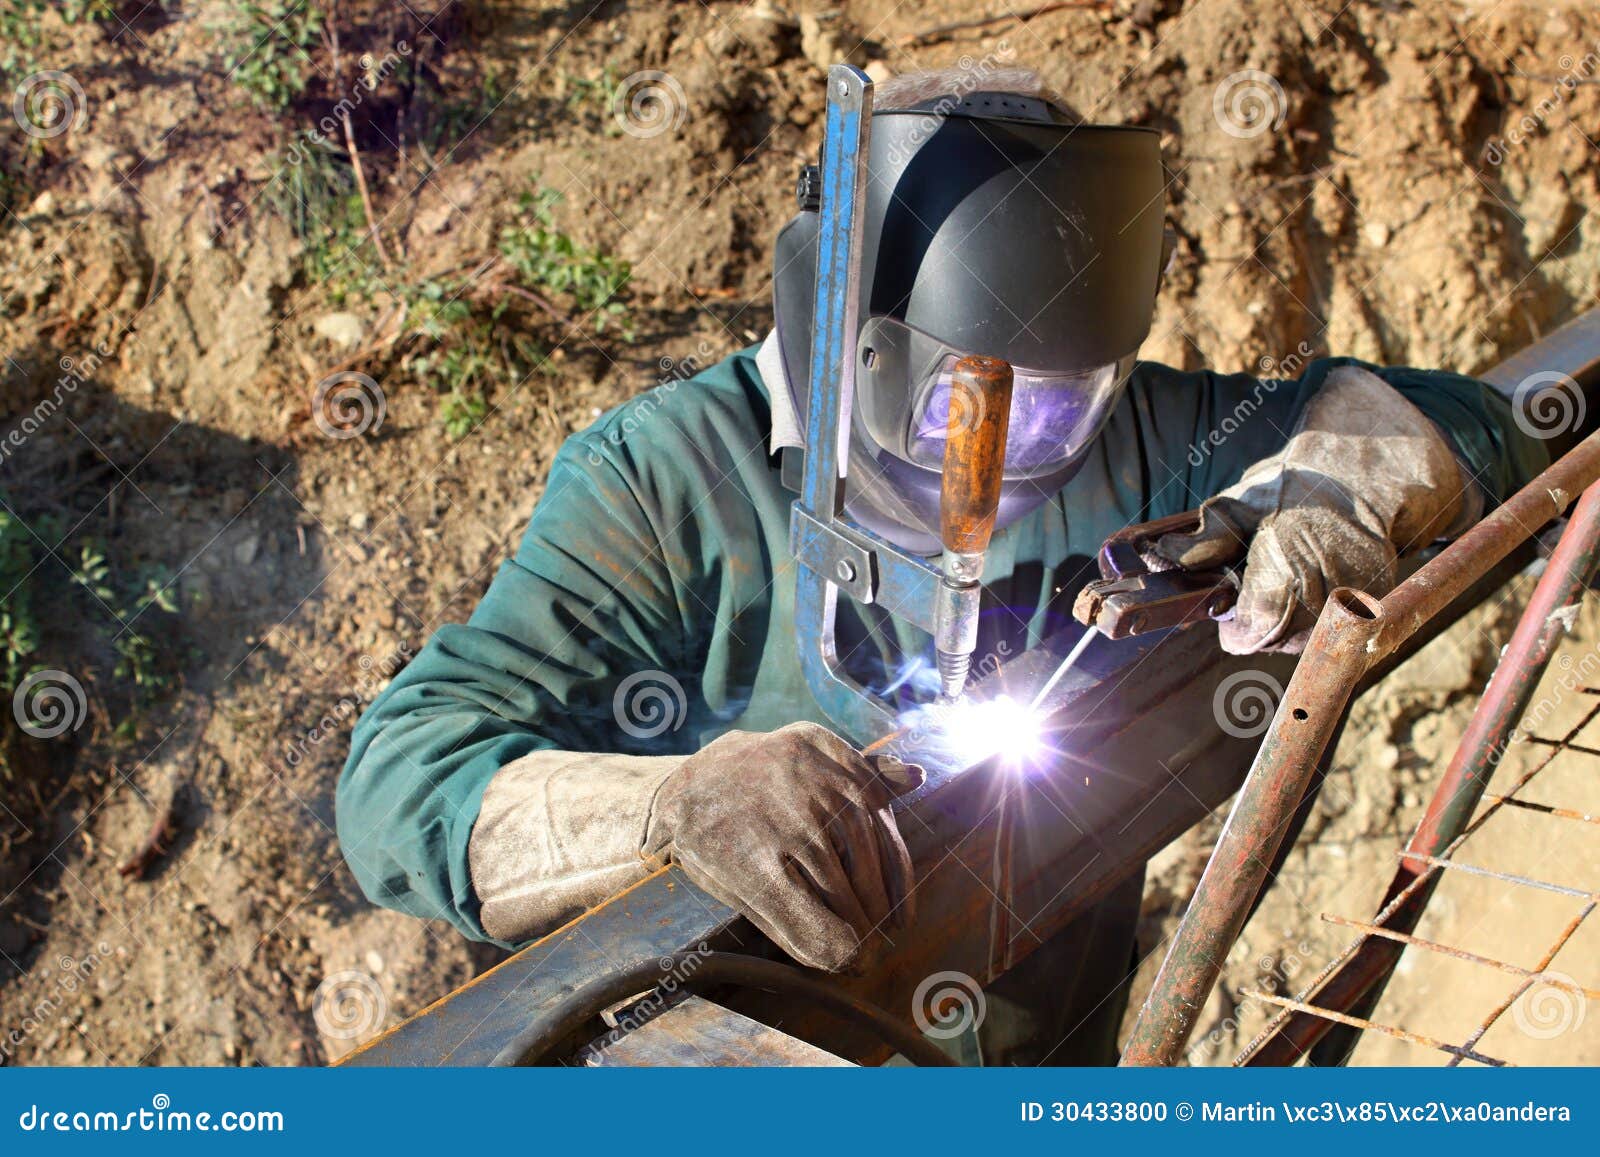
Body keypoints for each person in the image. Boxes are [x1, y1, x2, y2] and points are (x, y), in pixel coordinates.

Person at [336, 68, 1546, 1064]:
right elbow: (400, 780)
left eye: (1058, 411)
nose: (1019, 455)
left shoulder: (1135, 438)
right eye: (966, 412)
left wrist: (1335, 479)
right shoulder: (662, 480)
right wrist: (669, 805)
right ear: (851, 342)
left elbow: (1479, 420)